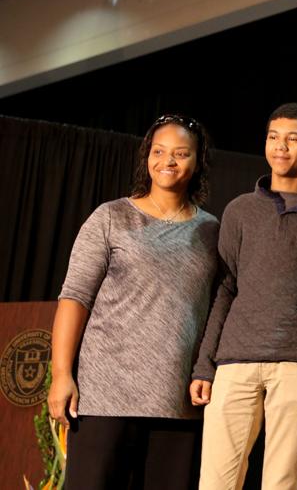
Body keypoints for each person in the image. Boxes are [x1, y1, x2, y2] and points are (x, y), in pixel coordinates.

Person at [47, 114, 219, 489]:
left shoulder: (212, 230)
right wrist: (62, 374)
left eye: (180, 153)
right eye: (158, 151)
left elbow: (220, 310)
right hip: (106, 397)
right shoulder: (111, 217)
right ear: (146, 157)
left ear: (197, 161)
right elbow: (75, 297)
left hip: (179, 401)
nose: (167, 161)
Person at [189, 103, 297, 490]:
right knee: (216, 479)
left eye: (293, 139)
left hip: (296, 364)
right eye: (273, 137)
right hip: (234, 362)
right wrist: (203, 366)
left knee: (282, 480)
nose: (281, 146)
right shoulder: (239, 210)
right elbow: (225, 288)